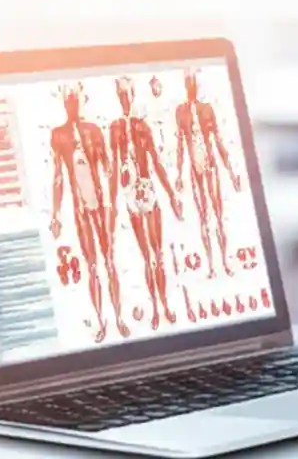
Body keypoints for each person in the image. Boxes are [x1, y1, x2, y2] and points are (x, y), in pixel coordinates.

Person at [49, 83, 127, 342]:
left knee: (109, 261)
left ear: (81, 99)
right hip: (80, 206)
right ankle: (103, 321)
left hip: (100, 202)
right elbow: (59, 176)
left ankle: (118, 317)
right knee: (92, 265)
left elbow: (108, 168)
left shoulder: (93, 130)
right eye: (67, 97)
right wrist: (55, 214)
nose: (71, 102)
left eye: (74, 97)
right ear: (63, 101)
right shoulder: (59, 135)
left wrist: (114, 203)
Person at [110, 76, 184, 330]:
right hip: (130, 193)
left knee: (159, 255)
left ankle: (165, 306)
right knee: (147, 258)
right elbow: (113, 168)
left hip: (148, 188)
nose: (125, 99)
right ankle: (155, 308)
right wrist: (111, 205)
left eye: (127, 93)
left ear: (133, 94)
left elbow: (156, 162)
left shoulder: (142, 127)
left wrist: (172, 194)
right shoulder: (116, 129)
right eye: (121, 95)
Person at [176, 70, 243, 279]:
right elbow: (180, 145)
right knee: (203, 217)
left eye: (193, 80)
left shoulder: (206, 109)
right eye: (188, 81)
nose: (191, 85)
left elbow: (218, 141)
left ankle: (224, 262)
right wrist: (178, 174)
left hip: (211, 164)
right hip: (195, 168)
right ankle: (212, 266)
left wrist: (231, 172)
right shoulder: (181, 112)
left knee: (218, 217)